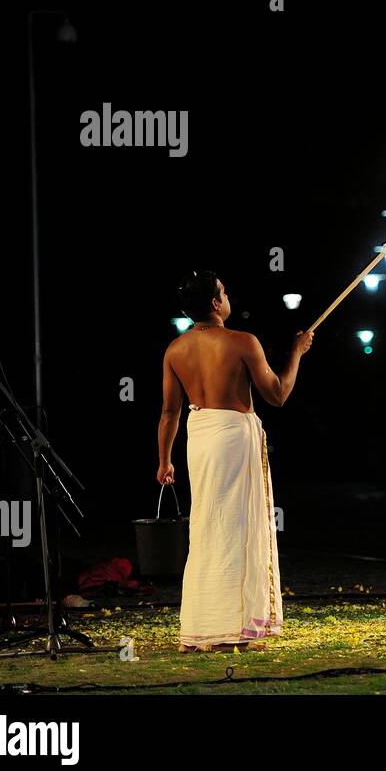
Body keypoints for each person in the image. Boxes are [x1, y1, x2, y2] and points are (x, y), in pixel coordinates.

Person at [157, 270, 312, 651]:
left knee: (208, 525)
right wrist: (297, 352)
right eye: (224, 292)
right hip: (233, 434)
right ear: (215, 303)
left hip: (201, 436)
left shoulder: (175, 350)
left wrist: (164, 461)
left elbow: (169, 413)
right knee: (240, 527)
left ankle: (202, 626)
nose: (228, 298)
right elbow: (277, 394)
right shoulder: (243, 341)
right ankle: (238, 627)